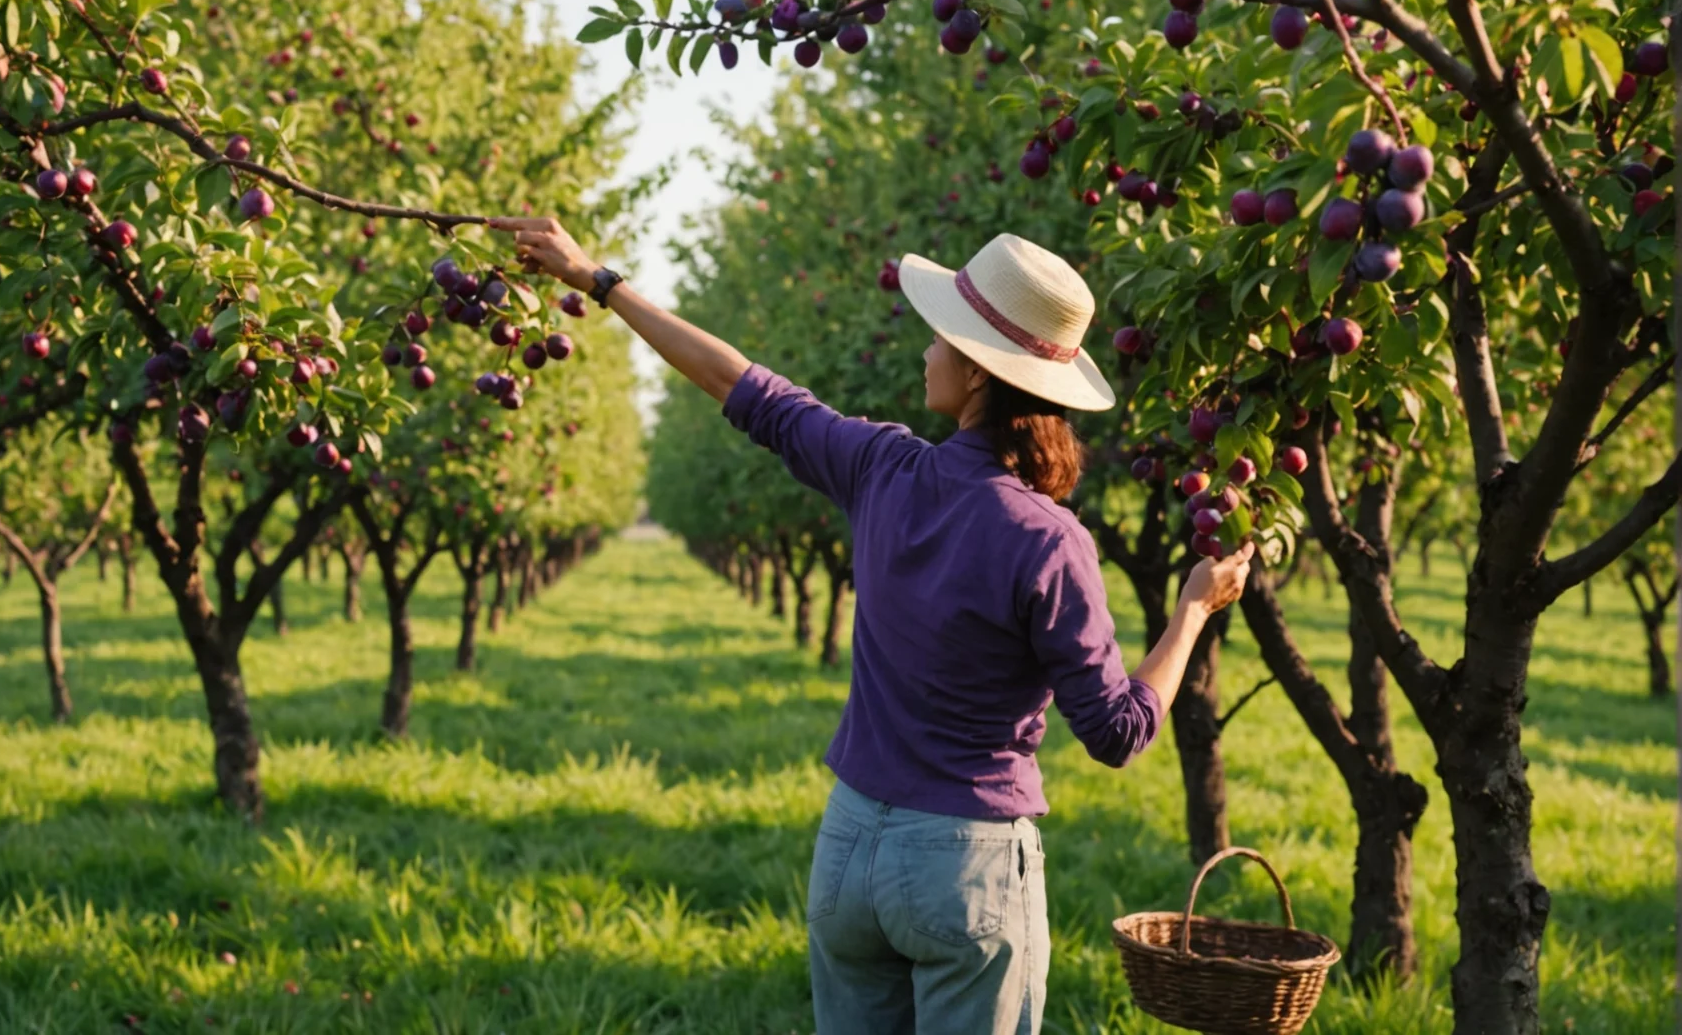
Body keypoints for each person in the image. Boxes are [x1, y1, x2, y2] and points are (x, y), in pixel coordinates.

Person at [489, 218, 1252, 1035]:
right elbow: (1118, 732)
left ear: (975, 376)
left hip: (849, 846)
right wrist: (1192, 611)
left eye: (939, 341)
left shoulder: (881, 469)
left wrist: (598, 281)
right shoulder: (1047, 540)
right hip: (965, 862)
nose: (926, 353)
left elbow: (741, 385)